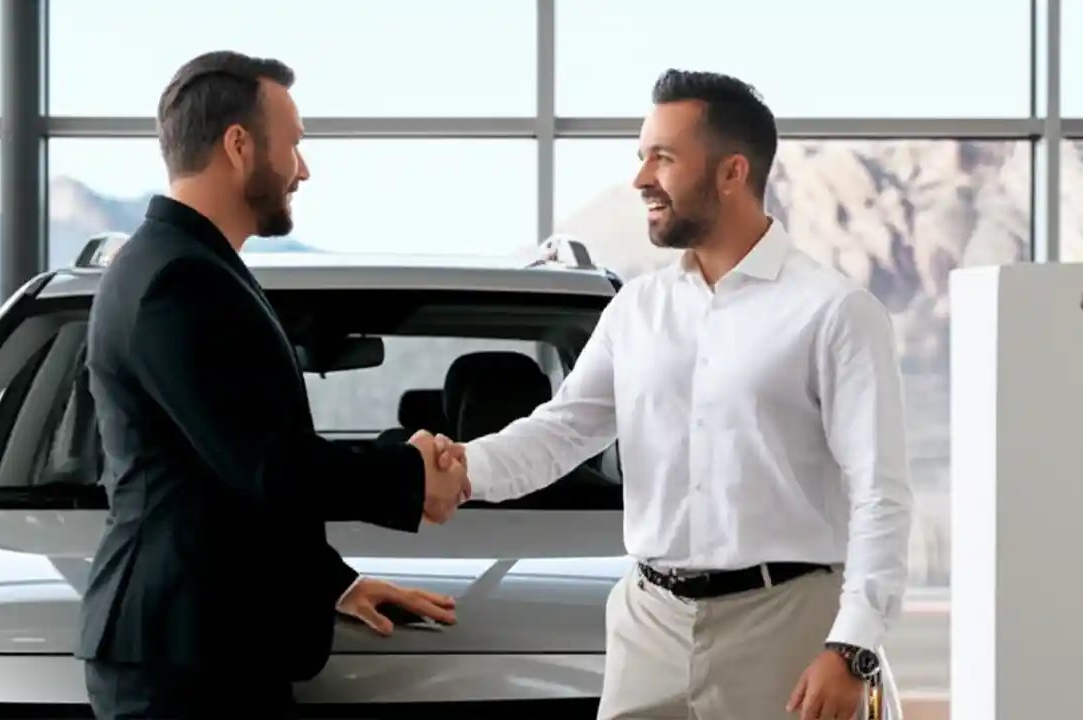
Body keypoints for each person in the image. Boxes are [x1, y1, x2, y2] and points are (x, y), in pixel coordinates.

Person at [429, 69, 913, 720]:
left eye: (663, 157)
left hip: (787, 625)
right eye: (641, 158)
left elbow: (880, 493)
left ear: (731, 173)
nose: (639, 180)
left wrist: (852, 646)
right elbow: (564, 430)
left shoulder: (835, 312)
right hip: (648, 621)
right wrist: (461, 469)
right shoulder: (637, 309)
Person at [76, 50, 471, 719]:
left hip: (198, 647)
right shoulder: (180, 280)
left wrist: (334, 583)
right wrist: (409, 473)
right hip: (184, 660)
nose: (302, 168)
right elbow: (265, 466)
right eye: (293, 145)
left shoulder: (186, 264)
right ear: (239, 145)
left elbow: (219, 485)